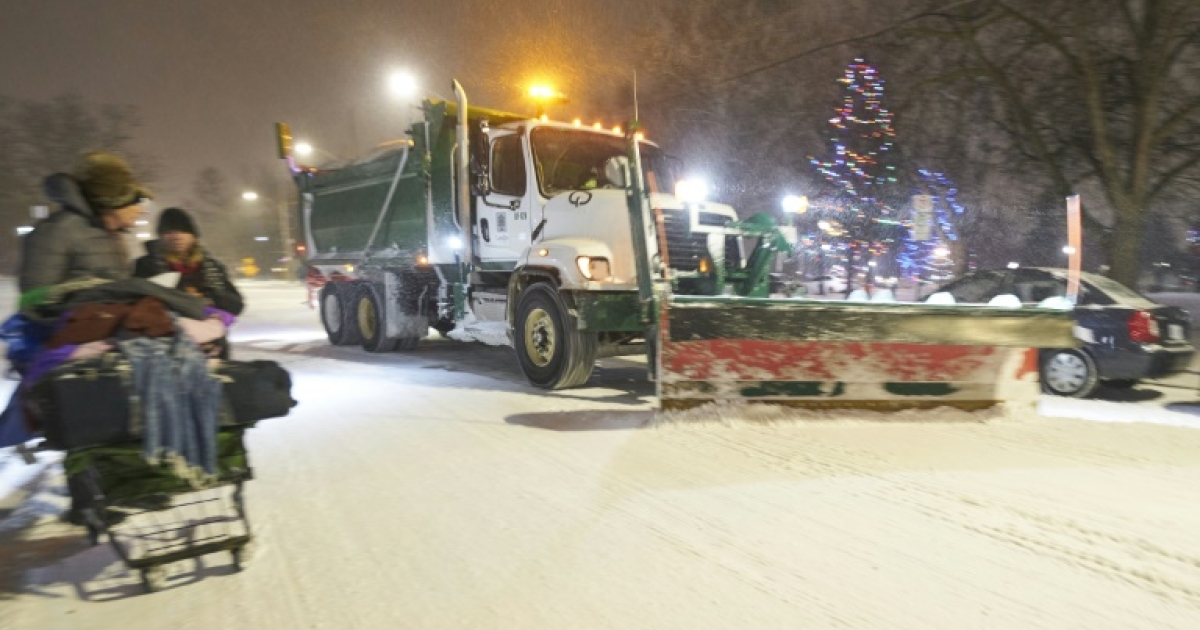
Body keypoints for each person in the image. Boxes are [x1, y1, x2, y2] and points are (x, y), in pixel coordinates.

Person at [133, 207, 244, 317]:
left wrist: (209, 298)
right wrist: (183, 299)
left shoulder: (213, 267)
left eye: (183, 231)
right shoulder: (146, 265)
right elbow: (136, 302)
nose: (177, 236)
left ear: (193, 236)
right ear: (160, 236)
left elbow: (236, 305)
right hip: (166, 331)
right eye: (169, 231)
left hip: (208, 331)